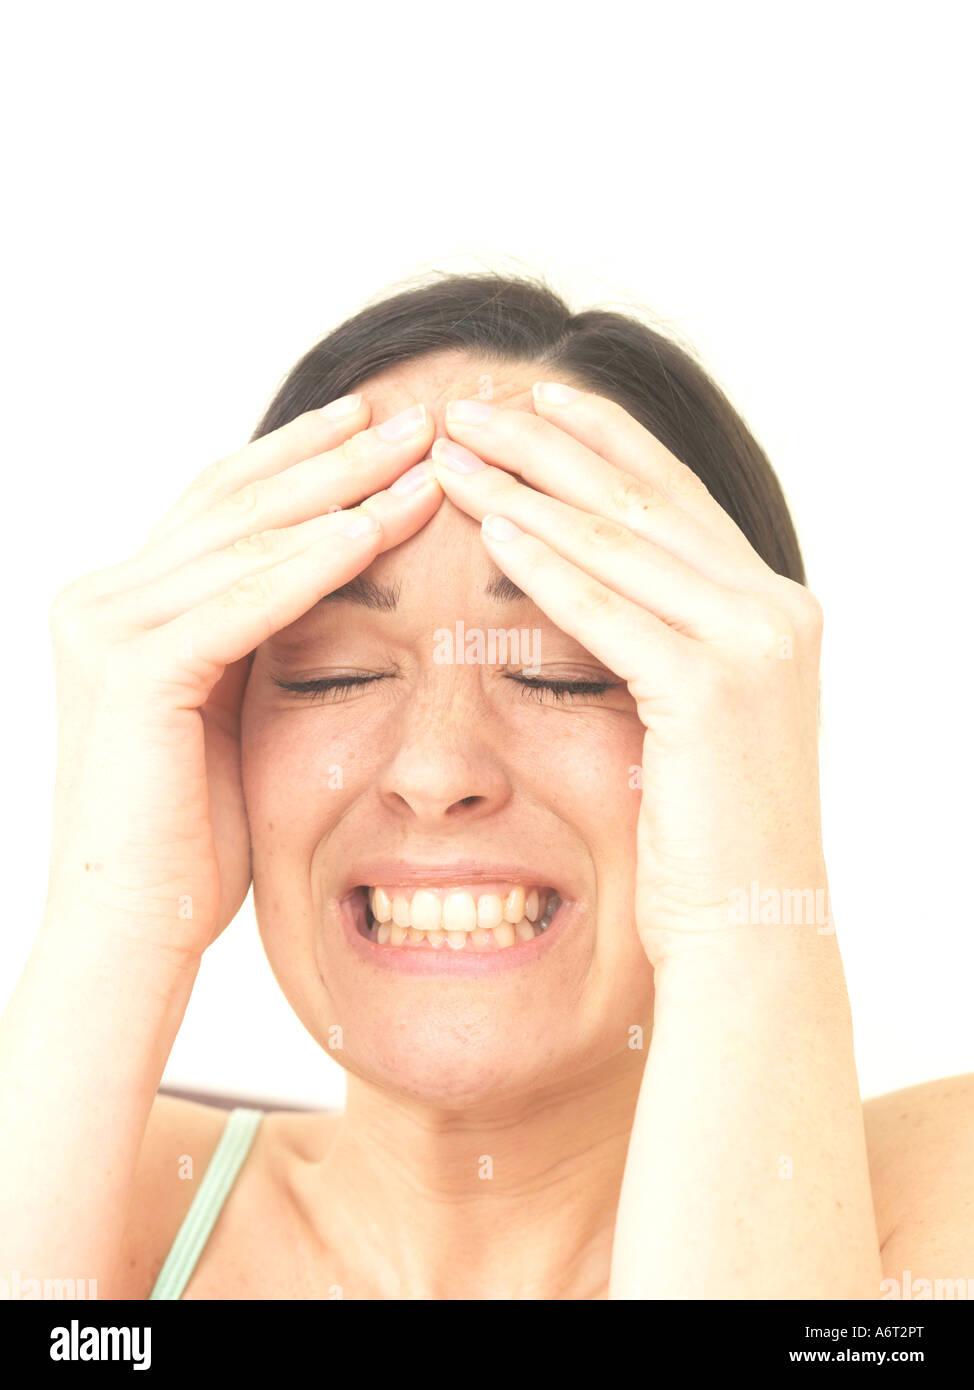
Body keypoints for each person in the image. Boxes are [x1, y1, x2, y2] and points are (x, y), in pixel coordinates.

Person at [2, 272, 971, 1301]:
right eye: (337, 672)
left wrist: (746, 918)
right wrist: (114, 916)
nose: (433, 771)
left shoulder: (934, 1213)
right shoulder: (104, 1196)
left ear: (747, 743)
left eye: (564, 672)